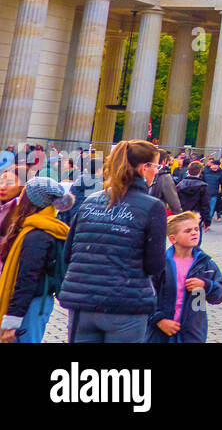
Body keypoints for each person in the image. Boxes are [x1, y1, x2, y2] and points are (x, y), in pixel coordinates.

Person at [59, 139, 168, 342]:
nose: (157, 171)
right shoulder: (152, 206)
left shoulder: (91, 201)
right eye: (157, 166)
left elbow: (68, 253)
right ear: (145, 168)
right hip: (125, 303)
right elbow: (154, 264)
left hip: (83, 302)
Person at [0, 177, 73, 343]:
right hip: (34, 303)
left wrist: (12, 320)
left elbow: (27, 279)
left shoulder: (38, 234)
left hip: (30, 306)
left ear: (31, 201)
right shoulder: (44, 226)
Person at [147, 211, 222, 343]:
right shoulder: (160, 264)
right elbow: (146, 295)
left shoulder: (205, 264)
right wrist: (159, 319)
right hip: (161, 333)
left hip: (193, 332)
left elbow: (220, 293)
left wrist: (206, 285)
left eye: (196, 229)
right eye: (188, 231)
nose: (194, 233)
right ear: (173, 239)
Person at [176, 160, 211, 232]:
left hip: (182, 214)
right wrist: (207, 221)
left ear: (188, 171)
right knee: (195, 237)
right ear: (200, 171)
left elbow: (175, 202)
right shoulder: (203, 186)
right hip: (196, 215)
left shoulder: (180, 185)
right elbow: (205, 205)